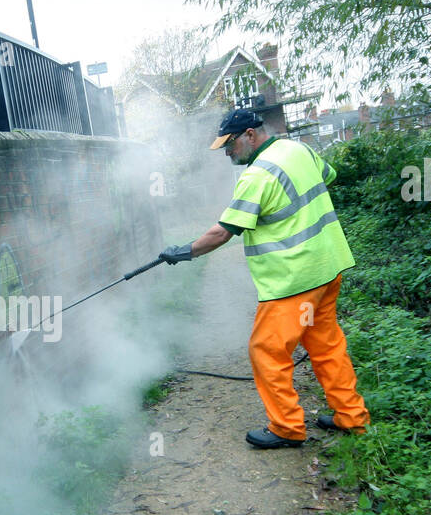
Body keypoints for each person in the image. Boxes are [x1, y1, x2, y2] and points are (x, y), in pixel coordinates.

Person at [159, 107, 371, 449]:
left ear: (250, 135)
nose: (228, 152)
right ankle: (352, 417)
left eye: (230, 144)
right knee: (326, 344)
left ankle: (287, 427)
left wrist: (183, 251)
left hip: (294, 281)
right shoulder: (300, 149)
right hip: (327, 269)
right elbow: (327, 176)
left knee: (267, 352)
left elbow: (222, 233)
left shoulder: (257, 175)